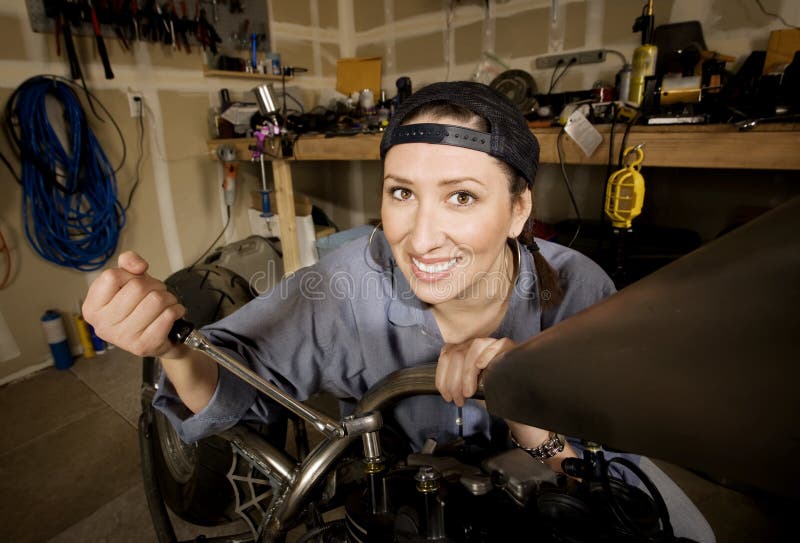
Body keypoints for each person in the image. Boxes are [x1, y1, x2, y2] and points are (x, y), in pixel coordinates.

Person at [83, 81, 713, 542]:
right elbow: (231, 387)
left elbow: (601, 471)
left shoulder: (580, 290)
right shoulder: (341, 286)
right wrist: (169, 346)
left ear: (520, 210)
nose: (421, 237)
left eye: (462, 196)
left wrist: (528, 404)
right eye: (402, 193)